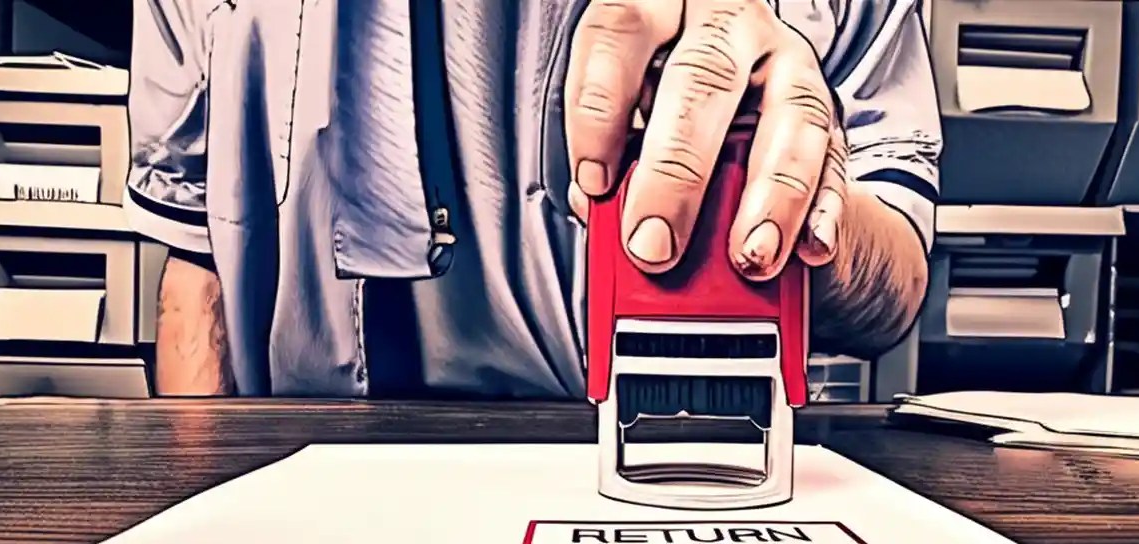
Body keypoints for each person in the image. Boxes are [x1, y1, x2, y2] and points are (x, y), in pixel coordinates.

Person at [126, 0, 941, 399]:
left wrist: (802, 206)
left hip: (662, 485)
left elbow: (893, 288)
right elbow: (198, 267)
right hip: (301, 474)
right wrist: (200, 509)